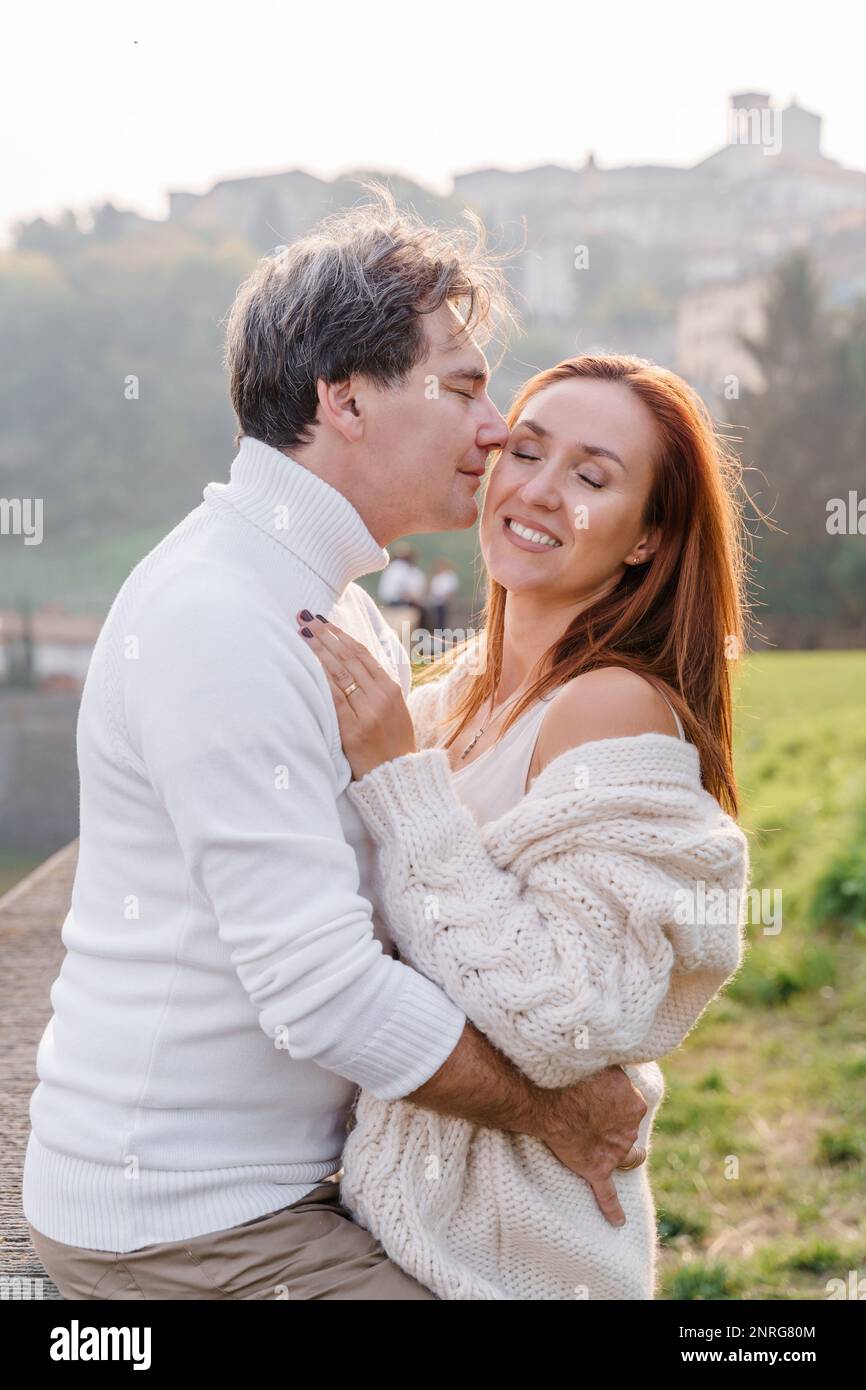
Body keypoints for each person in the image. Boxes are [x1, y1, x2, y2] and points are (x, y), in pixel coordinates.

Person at [23, 188, 650, 1302]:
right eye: (460, 387)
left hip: (290, 1187)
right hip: (183, 1225)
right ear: (345, 398)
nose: (496, 426)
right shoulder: (220, 615)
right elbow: (319, 989)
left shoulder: (331, 606)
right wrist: (558, 1106)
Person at [296, 350, 751, 1299]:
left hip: (509, 1262)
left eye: (591, 476)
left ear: (646, 542)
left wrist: (394, 774)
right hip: (391, 1223)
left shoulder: (610, 706)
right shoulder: (453, 697)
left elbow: (565, 1015)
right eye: (527, 451)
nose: (539, 491)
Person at [428, 559, 459, 631]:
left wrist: (447, 598)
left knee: (443, 620)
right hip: (436, 601)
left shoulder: (449, 576)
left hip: (444, 602)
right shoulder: (437, 577)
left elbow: (451, 590)